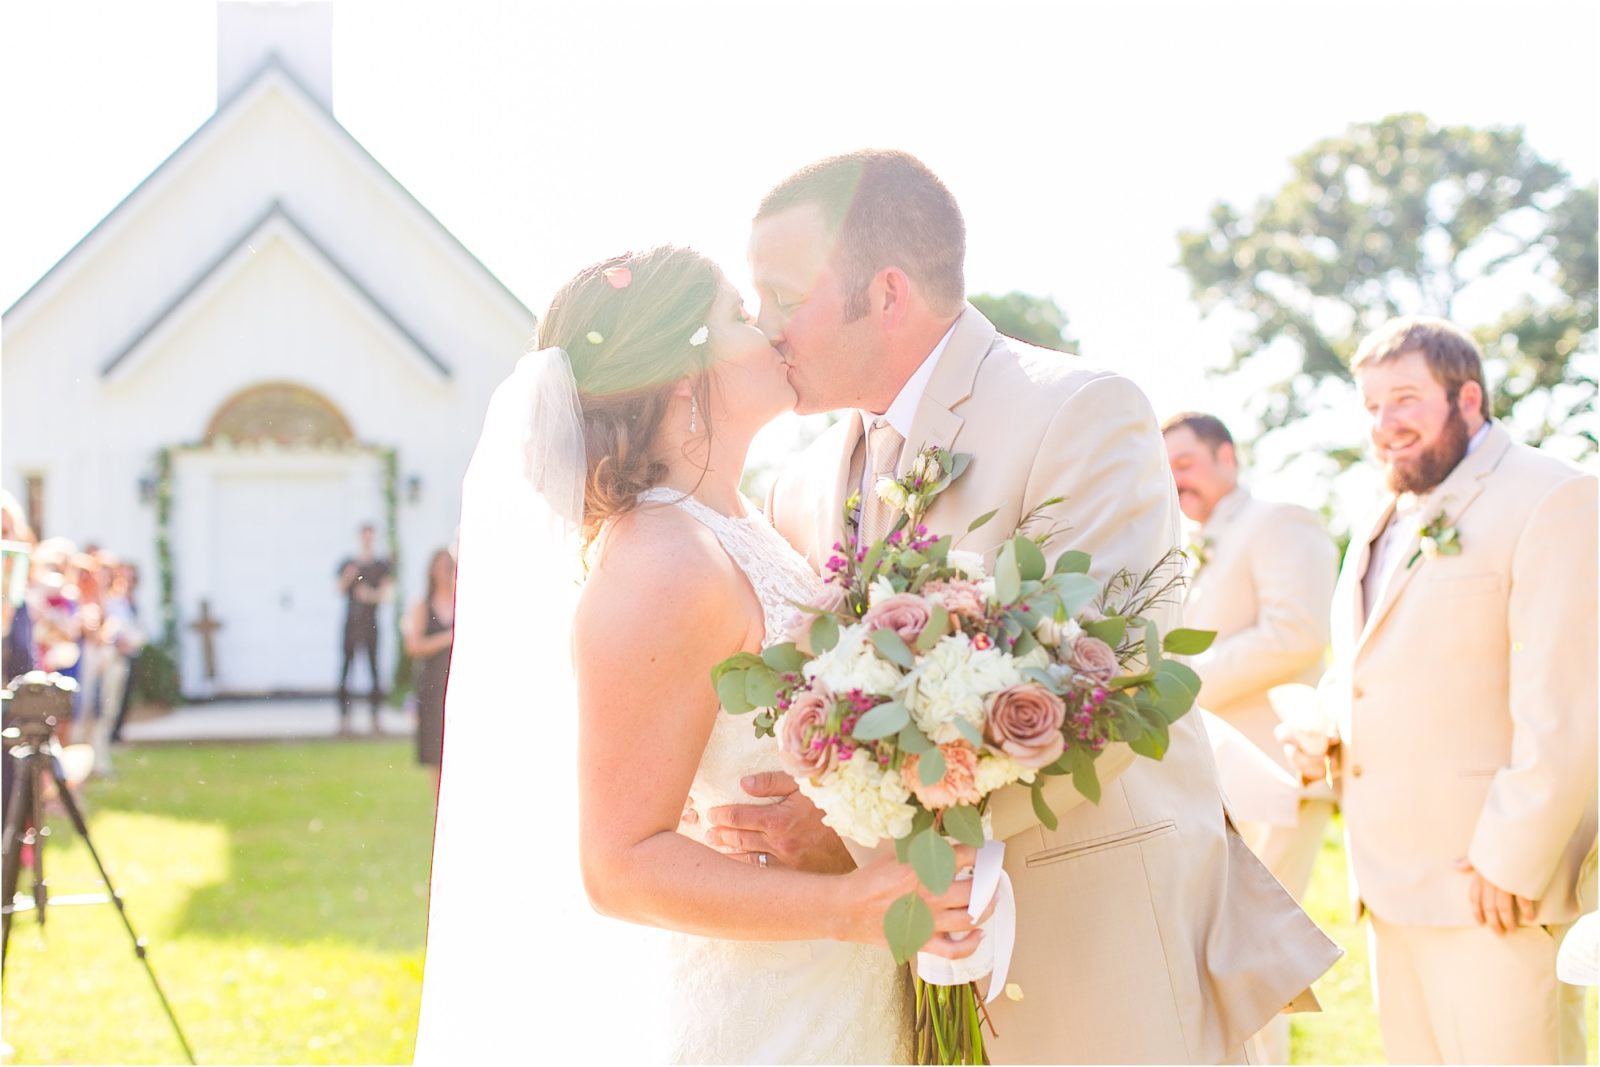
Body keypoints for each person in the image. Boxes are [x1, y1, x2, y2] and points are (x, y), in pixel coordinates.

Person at [716, 149, 1341, 1063]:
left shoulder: (1080, 411)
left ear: (886, 293)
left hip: (1097, 945)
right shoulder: (797, 486)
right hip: (897, 972)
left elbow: (1118, 690)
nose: (762, 327)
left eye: (779, 295)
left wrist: (853, 832)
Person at [415, 246, 989, 1065]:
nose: (774, 329)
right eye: (741, 317)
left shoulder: (740, 527)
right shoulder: (661, 558)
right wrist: (853, 905)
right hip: (770, 1012)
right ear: (686, 376)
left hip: (835, 984)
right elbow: (618, 864)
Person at [1281, 315, 1597, 1064]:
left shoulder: (1555, 497)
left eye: (1404, 399)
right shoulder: (1382, 510)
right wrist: (1320, 719)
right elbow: (1364, 662)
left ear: (1468, 397)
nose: (1384, 424)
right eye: (1370, 407)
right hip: (1389, 881)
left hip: (1491, 887)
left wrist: (1508, 858)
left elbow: (1571, 699)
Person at [1162, 411, 1338, 1063]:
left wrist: (1171, 685)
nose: (1175, 480)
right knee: (1219, 959)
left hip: (1276, 771)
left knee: (1259, 960)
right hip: (1211, 779)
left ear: (1226, 456)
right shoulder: (1183, 546)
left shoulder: (1280, 520)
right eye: (1166, 468)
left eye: (1185, 463)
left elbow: (1294, 633)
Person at [401, 548, 454, 772]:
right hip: (433, 684)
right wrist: (447, 638)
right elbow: (413, 646)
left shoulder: (464, 603)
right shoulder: (423, 605)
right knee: (436, 753)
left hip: (456, 680)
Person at [335, 524, 391, 734]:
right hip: (351, 623)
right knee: (346, 669)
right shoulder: (349, 564)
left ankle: (375, 717)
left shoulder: (380, 565)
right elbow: (339, 589)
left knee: (373, 669)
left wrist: (369, 595)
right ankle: (343, 718)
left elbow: (385, 593)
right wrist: (349, 577)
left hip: (371, 624)